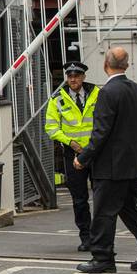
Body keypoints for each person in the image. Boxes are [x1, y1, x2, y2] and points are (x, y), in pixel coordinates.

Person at [72, 47, 137, 273]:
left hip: (110, 166)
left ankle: (103, 259)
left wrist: (83, 158)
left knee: (104, 214)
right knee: (129, 209)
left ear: (106, 65)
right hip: (132, 163)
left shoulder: (107, 92)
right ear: (126, 65)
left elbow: (101, 131)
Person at [44, 60, 100, 251]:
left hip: (96, 152)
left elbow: (105, 120)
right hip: (73, 153)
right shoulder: (57, 98)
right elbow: (51, 127)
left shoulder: (97, 94)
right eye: (70, 76)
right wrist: (71, 143)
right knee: (79, 198)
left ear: (83, 77)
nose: (73, 79)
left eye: (77, 76)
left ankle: (100, 236)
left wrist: (93, 145)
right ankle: (86, 237)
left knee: (101, 196)